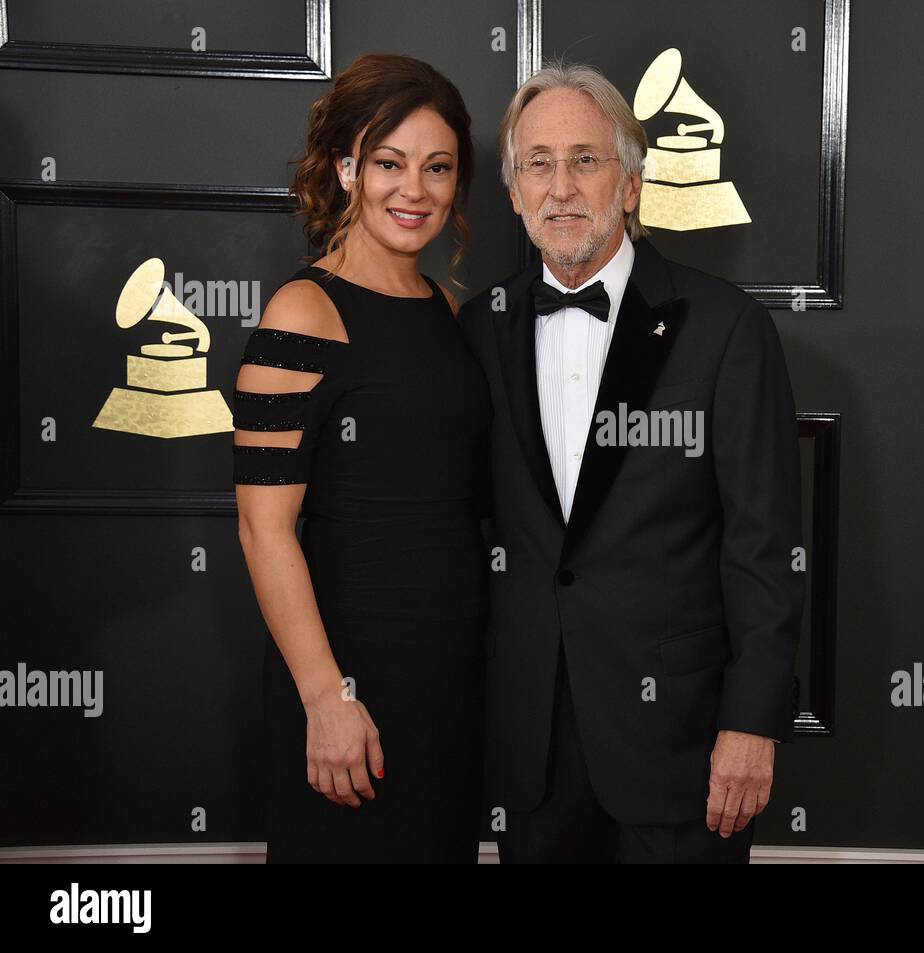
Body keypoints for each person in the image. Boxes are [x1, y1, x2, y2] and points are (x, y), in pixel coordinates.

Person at [458, 60, 804, 863]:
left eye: (586, 159)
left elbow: (764, 545)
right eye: (537, 164)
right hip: (531, 749)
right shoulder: (479, 331)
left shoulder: (725, 329)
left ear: (633, 183)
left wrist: (752, 720)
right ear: (513, 192)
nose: (562, 187)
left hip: (681, 748)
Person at [231, 53, 488, 863]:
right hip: (350, 676)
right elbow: (262, 528)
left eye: (437, 167)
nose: (414, 189)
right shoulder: (302, 313)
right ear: (346, 168)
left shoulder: (450, 310)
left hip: (449, 676)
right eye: (389, 162)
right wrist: (326, 697)